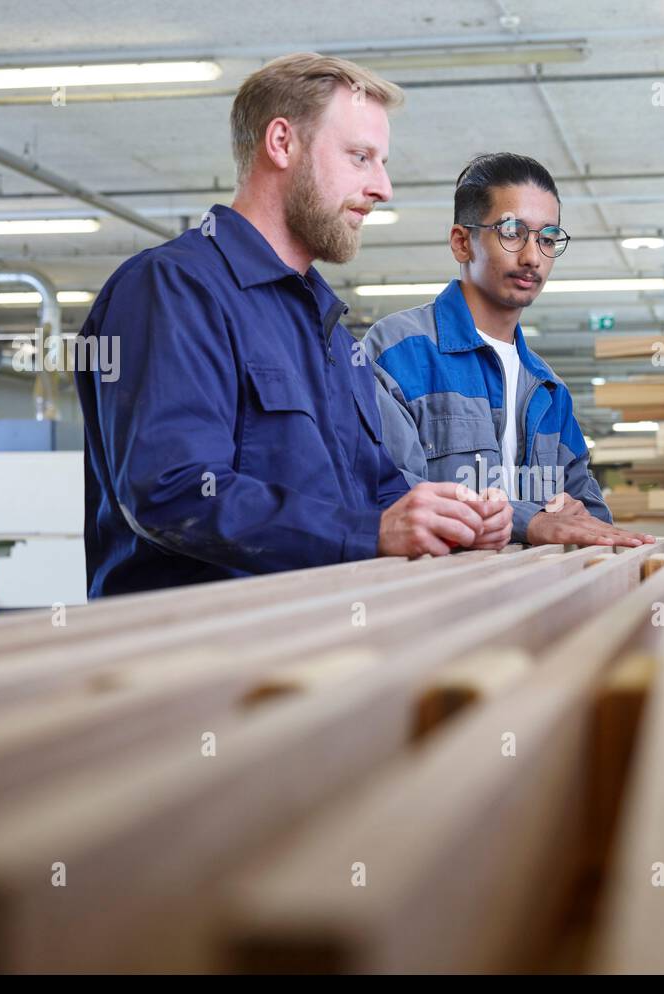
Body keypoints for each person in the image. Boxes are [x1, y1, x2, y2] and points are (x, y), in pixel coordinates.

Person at [75, 53, 511, 597]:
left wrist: (452, 518)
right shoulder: (172, 291)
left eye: (382, 162)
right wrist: (369, 532)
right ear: (282, 143)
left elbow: (374, 492)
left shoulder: (328, 327)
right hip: (192, 655)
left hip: (312, 642)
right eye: (361, 157)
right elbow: (172, 494)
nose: (383, 187)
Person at [363, 152, 653, 548]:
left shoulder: (549, 390)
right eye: (512, 232)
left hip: (531, 602)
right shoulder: (396, 352)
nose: (533, 257)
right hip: (432, 600)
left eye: (548, 238)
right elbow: (392, 494)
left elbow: (587, 516)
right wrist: (530, 520)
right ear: (462, 242)